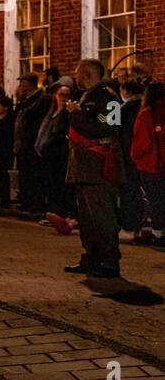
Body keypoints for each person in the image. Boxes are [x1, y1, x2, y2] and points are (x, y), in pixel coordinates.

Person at [64, 59, 124, 278]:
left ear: (88, 74)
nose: (75, 76)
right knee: (87, 218)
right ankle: (91, 257)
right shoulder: (89, 96)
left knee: (102, 216)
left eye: (78, 72)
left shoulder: (108, 98)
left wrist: (76, 113)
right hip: (84, 165)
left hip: (98, 166)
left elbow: (105, 126)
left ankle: (109, 260)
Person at [36, 79, 76, 228]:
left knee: (59, 185)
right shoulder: (52, 111)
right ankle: (53, 212)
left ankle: (61, 214)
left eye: (67, 94)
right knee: (51, 184)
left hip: (60, 154)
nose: (64, 97)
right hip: (49, 154)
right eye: (61, 94)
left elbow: (63, 133)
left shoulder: (68, 113)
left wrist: (51, 142)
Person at [131, 81, 165, 245]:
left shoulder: (146, 114)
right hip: (161, 163)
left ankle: (158, 233)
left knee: (155, 200)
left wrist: (135, 157)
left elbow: (141, 143)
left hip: (150, 164)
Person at [13, 73, 50, 212]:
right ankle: (26, 200)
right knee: (25, 174)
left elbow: (38, 122)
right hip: (23, 144)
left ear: (30, 83)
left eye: (23, 82)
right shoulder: (24, 100)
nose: (21, 85)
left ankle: (36, 202)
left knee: (35, 174)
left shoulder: (42, 99)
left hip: (32, 143)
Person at [118, 77, 147, 242]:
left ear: (126, 91)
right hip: (143, 155)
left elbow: (110, 125)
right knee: (140, 193)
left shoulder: (123, 109)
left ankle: (129, 228)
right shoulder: (145, 107)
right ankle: (139, 228)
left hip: (127, 155)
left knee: (128, 192)